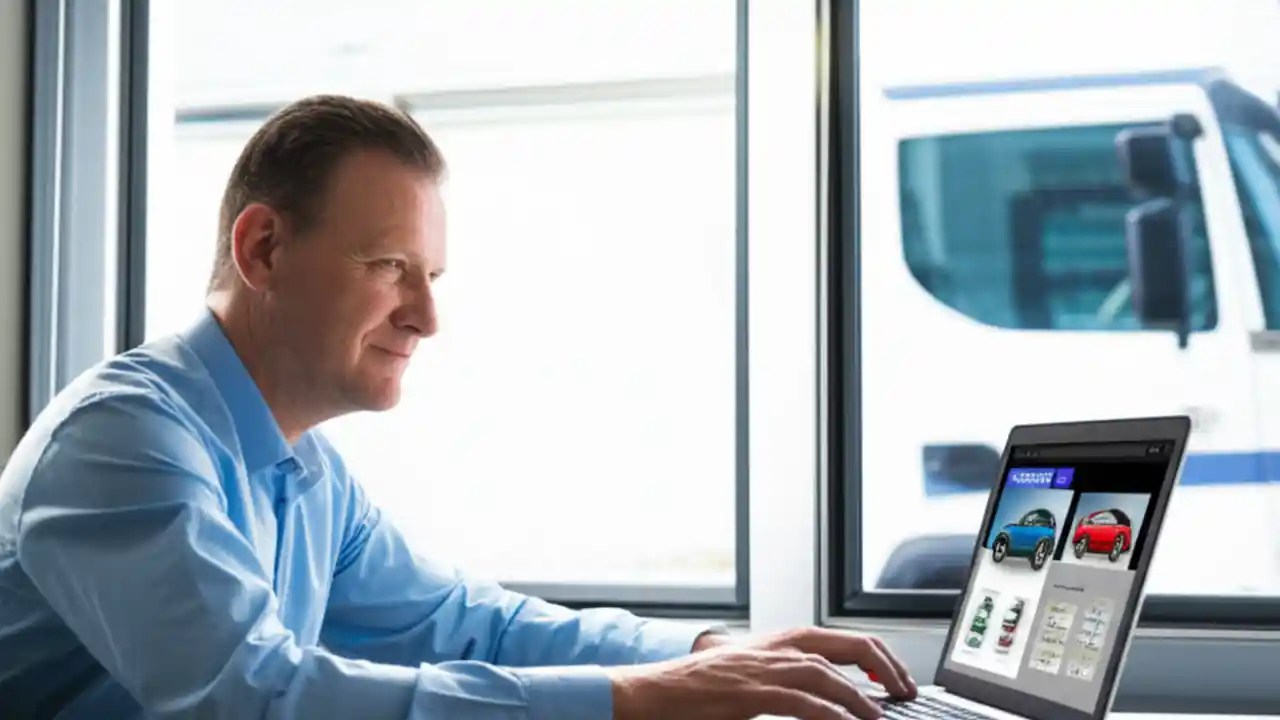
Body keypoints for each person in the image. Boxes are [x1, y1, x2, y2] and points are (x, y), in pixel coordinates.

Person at [0, 95, 917, 719]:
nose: (428, 317)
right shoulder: (124, 441)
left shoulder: (306, 474)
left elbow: (467, 621)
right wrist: (642, 697)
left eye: (430, 276)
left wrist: (711, 647)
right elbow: (257, 698)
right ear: (265, 249)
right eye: (390, 267)